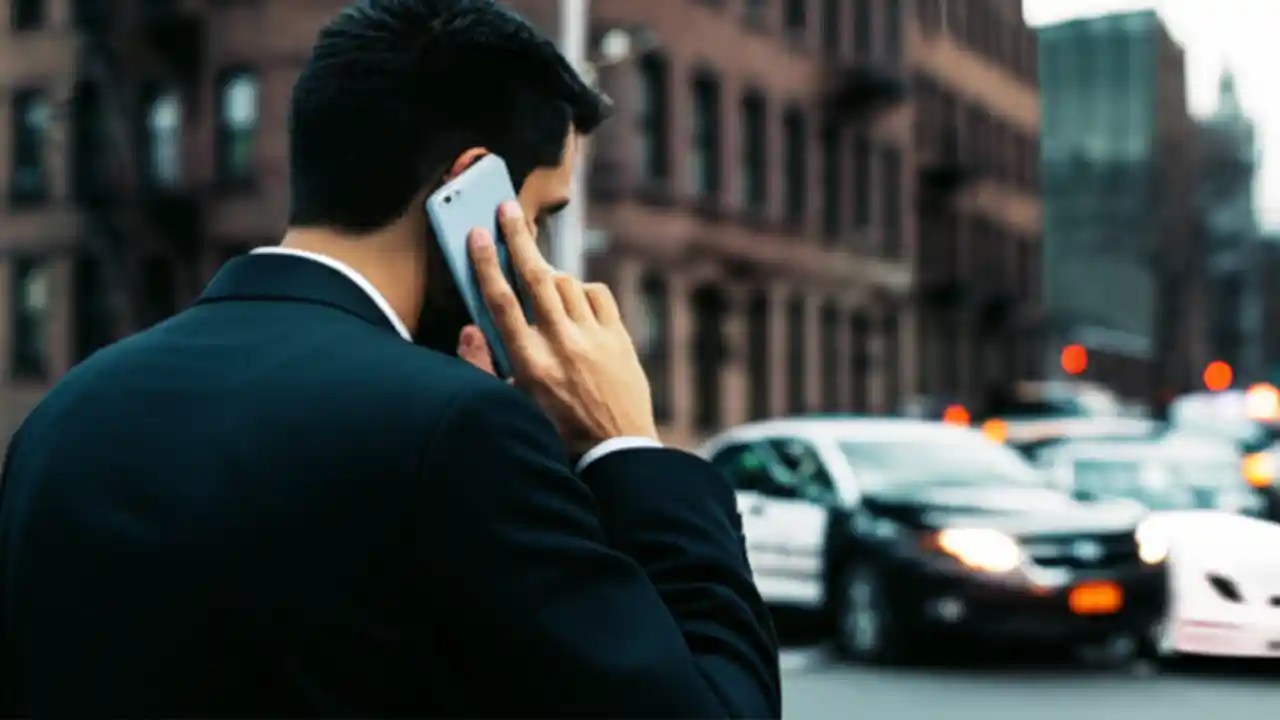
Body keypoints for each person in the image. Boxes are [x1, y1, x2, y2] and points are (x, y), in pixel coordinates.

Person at [0, 0, 780, 716]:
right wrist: (627, 447)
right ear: (471, 193)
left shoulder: (68, 412)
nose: (538, 256)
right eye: (538, 219)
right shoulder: (462, 436)